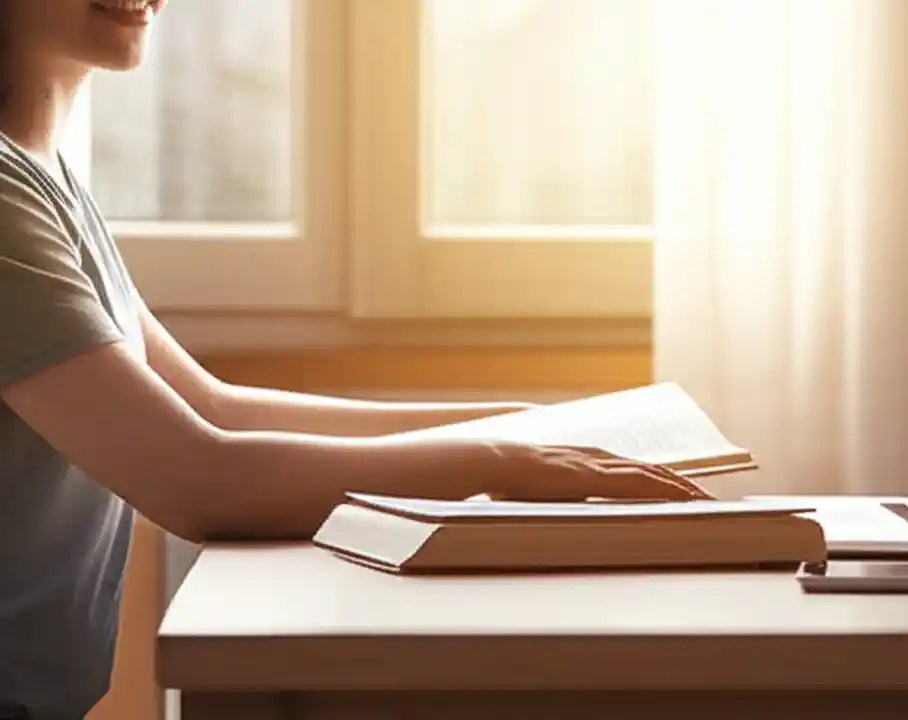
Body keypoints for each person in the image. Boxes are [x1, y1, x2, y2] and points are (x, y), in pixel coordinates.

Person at [0, 1, 708, 717]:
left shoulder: (43, 175)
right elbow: (200, 479)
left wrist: (524, 426)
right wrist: (493, 461)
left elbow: (215, 407)